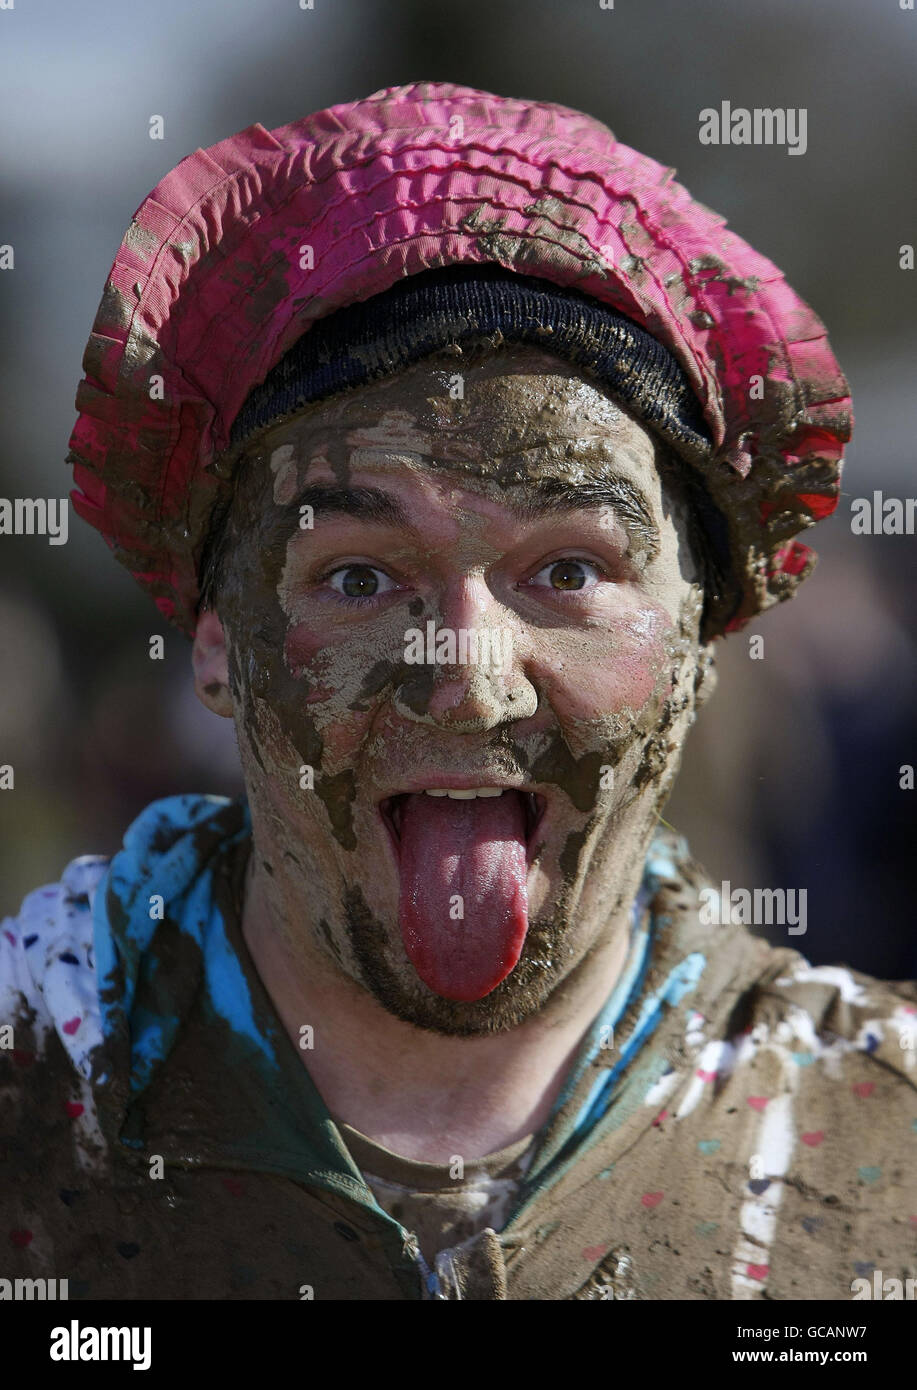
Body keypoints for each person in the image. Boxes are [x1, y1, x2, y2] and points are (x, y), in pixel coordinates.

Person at [2, 81, 914, 1302]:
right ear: (218, 646)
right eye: (361, 573)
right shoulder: (30, 1096)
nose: (467, 687)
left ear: (703, 641)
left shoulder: (877, 1140)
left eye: (569, 568)